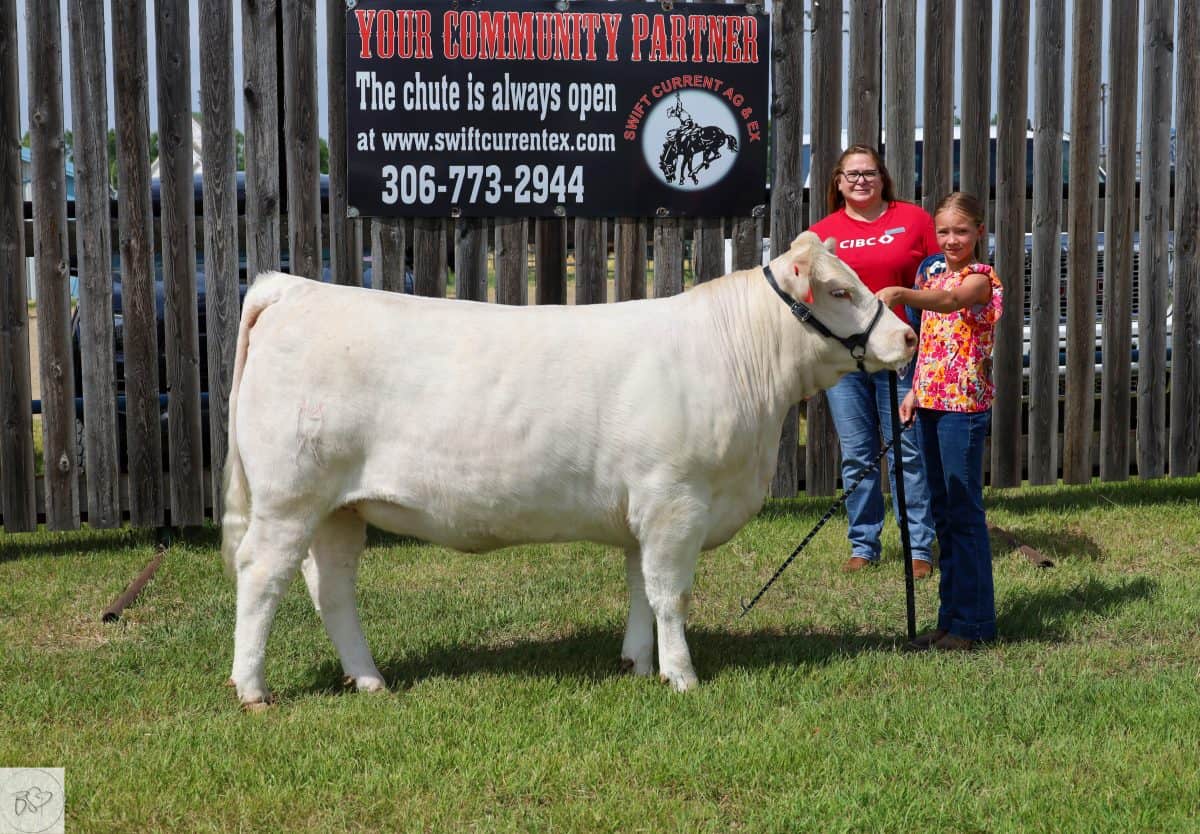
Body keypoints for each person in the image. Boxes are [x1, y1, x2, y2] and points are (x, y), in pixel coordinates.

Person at [878, 192, 1003, 651]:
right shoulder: (932, 274)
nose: (952, 240)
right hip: (930, 403)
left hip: (963, 410)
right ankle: (949, 620)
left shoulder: (980, 280)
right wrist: (915, 390)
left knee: (963, 513)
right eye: (944, 231)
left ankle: (974, 625)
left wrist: (898, 293)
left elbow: (950, 303)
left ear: (979, 232)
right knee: (943, 514)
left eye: (962, 231)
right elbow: (932, 341)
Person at [808, 145, 938, 577]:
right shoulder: (822, 234)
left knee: (907, 453)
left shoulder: (914, 221)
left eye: (869, 173)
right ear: (838, 182)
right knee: (857, 455)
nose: (861, 180)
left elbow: (937, 281)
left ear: (883, 178)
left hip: (899, 354)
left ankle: (918, 547)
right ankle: (863, 545)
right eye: (852, 174)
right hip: (846, 362)